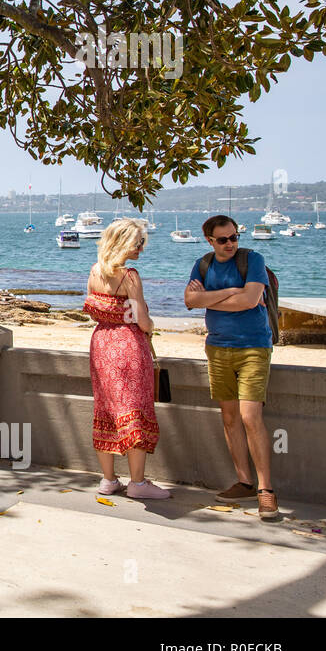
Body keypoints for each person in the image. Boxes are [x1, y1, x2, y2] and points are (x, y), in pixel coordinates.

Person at [184, 215, 278, 521]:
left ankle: (266, 491)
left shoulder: (253, 259)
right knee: (229, 417)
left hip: (253, 347)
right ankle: (244, 481)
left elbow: (251, 300)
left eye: (234, 237)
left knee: (251, 416)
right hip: (218, 347)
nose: (230, 244)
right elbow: (189, 300)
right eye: (223, 240)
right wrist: (230, 293)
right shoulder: (203, 265)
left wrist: (210, 299)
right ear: (210, 240)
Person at [83, 219, 169, 499]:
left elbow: (94, 310)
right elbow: (142, 322)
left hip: (101, 344)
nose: (141, 249)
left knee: (106, 408)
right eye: (138, 243)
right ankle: (138, 483)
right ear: (122, 244)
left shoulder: (95, 271)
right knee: (134, 408)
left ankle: (108, 480)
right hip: (128, 346)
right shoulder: (129, 276)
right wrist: (151, 323)